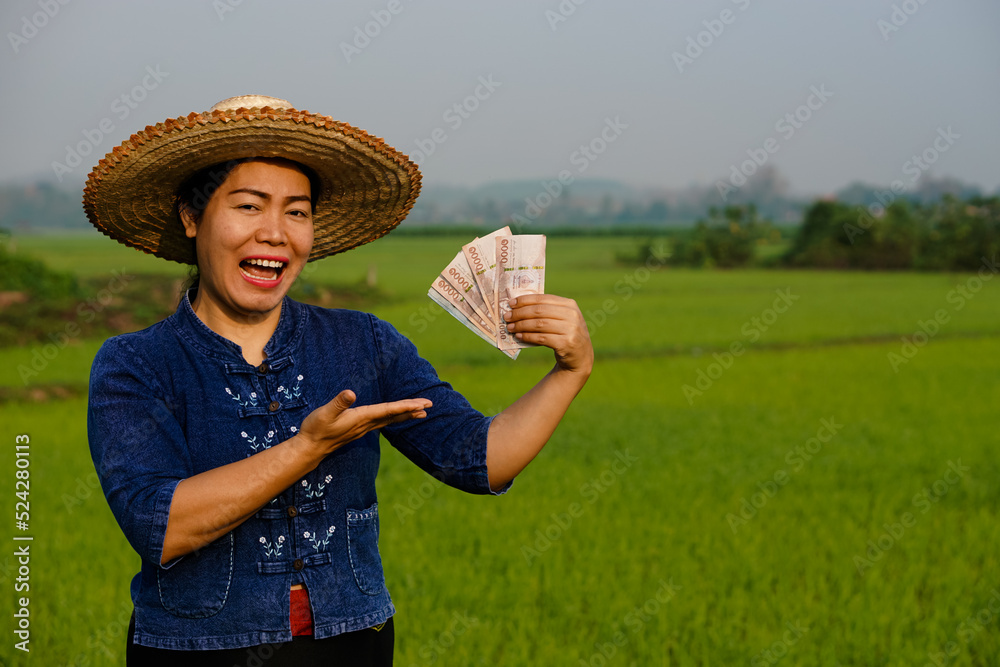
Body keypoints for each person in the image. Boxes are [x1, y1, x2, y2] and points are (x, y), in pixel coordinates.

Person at [84, 95, 593, 665]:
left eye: (296, 212)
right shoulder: (136, 364)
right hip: (198, 650)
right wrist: (308, 448)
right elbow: (163, 525)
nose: (275, 233)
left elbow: (477, 458)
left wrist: (571, 372)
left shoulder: (364, 344)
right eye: (250, 206)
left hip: (353, 643)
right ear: (191, 216)